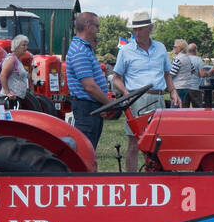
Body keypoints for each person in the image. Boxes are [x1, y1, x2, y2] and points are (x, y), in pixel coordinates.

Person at [111, 11, 178, 171]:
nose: (137, 33)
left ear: (150, 28)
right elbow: (116, 77)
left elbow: (167, 73)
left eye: (140, 29)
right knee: (134, 142)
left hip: (159, 99)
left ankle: (157, 178)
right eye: (134, 29)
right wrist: (127, 94)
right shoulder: (126, 50)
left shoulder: (160, 47)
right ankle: (132, 181)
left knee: (157, 142)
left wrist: (173, 91)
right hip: (136, 100)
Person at [65, 11, 116, 150]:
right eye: (97, 26)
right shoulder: (80, 50)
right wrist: (109, 103)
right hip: (86, 107)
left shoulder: (84, 48)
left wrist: (102, 105)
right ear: (88, 26)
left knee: (90, 149)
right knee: (85, 150)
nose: (98, 30)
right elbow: (89, 87)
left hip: (91, 106)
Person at [0, 35, 33, 107]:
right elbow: (2, 75)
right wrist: (8, 93)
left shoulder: (17, 60)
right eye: (23, 45)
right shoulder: (11, 59)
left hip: (17, 98)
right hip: (10, 99)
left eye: (26, 45)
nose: (26, 48)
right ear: (16, 46)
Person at [171, 39, 201, 108]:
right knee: (181, 106)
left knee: (174, 108)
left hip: (178, 87)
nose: (173, 48)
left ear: (179, 48)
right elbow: (192, 70)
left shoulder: (177, 59)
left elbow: (171, 74)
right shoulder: (188, 58)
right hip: (186, 86)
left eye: (174, 46)